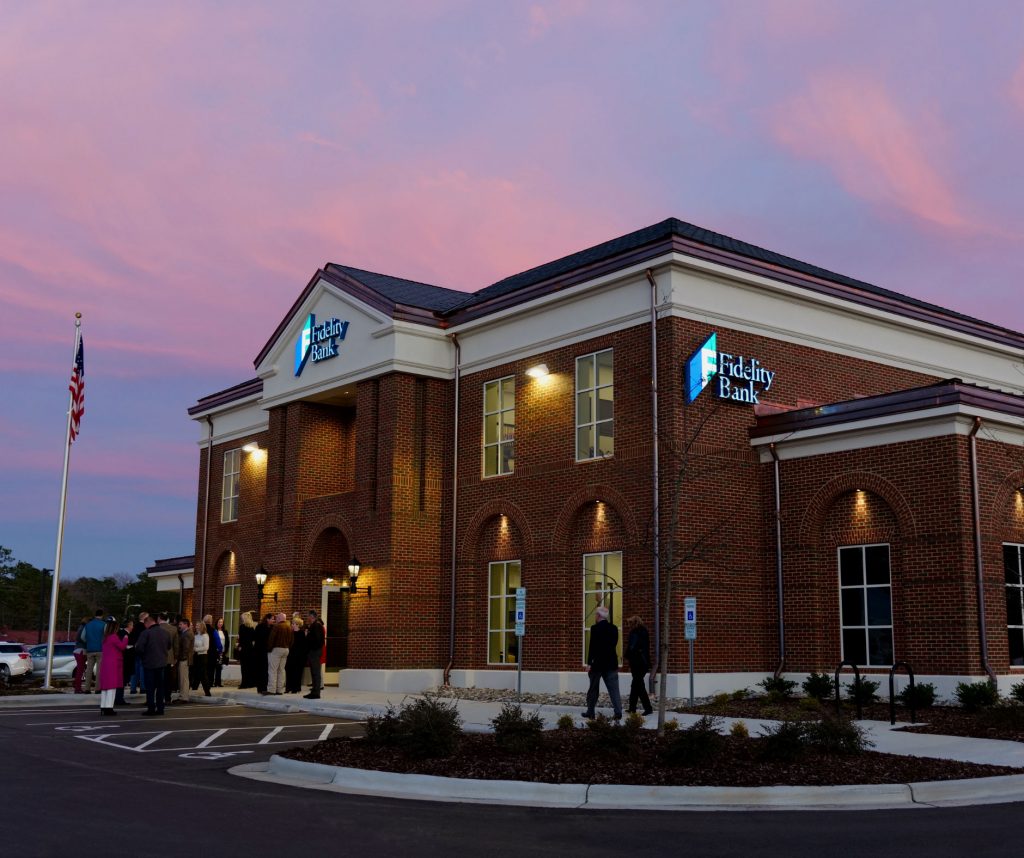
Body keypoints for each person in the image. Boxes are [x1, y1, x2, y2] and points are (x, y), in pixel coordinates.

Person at [582, 605, 622, 720]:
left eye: (596, 614)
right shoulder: (614, 628)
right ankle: (618, 712)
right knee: (614, 689)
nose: (595, 616)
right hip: (611, 662)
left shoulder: (595, 628)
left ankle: (590, 712)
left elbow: (592, 647)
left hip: (597, 664)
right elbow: (614, 644)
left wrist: (589, 663)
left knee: (593, 689)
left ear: (598, 615)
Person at [135, 613, 169, 716]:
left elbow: (139, 648)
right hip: (162, 663)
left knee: (150, 688)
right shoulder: (165, 633)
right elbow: (169, 645)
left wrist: (142, 657)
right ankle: (160, 708)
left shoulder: (146, 633)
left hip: (149, 664)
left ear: (147, 623)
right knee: (160, 687)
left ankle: (151, 708)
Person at [98, 616, 128, 716]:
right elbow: (122, 647)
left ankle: (103, 707)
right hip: (113, 664)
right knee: (112, 687)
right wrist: (125, 638)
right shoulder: (114, 637)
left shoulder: (105, 637)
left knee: (105, 687)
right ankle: (109, 708)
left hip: (106, 663)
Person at [624, 615, 654, 716]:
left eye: (630, 623)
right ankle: (632, 708)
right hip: (644, 662)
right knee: (635, 685)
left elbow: (632, 647)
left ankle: (648, 708)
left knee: (639, 685)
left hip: (637, 662)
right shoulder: (644, 631)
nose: (629, 625)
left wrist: (626, 656)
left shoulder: (635, 632)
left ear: (634, 623)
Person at [265, 612, 293, 695]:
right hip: (286, 650)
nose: (276, 619)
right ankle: (280, 690)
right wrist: (288, 647)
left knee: (272, 670)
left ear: (280, 619)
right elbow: (292, 640)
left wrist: (269, 649)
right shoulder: (289, 627)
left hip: (276, 649)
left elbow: (271, 639)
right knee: (281, 670)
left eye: (277, 618)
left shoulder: (277, 626)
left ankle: (271, 689)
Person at [157, 612, 179, 706]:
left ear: (159, 618)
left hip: (157, 658)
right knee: (168, 679)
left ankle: (159, 698)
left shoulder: (156, 628)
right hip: (169, 658)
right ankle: (168, 698)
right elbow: (176, 645)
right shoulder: (174, 629)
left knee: (158, 680)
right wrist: (176, 657)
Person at [82, 609, 106, 693]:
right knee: (99, 670)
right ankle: (97, 689)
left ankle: (87, 689)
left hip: (90, 649)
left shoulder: (87, 625)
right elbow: (106, 636)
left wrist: (89, 641)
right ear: (102, 615)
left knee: (89, 669)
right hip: (100, 649)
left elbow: (83, 637)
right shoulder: (104, 624)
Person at [303, 610, 325, 700]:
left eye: (308, 616)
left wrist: (307, 635)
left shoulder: (316, 626)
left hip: (315, 652)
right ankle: (314, 691)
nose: (307, 618)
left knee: (316, 672)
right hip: (313, 651)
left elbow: (317, 639)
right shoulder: (314, 626)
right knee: (314, 672)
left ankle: (316, 692)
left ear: (312, 616)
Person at [174, 617, 194, 704]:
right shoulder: (185, 633)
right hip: (184, 658)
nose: (179, 626)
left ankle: (184, 697)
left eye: (181, 624)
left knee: (184, 679)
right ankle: (182, 695)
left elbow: (186, 648)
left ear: (186, 624)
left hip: (184, 659)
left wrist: (181, 657)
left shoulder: (187, 634)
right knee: (183, 678)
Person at [285, 615, 306, 693]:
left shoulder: (301, 633)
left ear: (297, 624)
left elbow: (303, 646)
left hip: (298, 656)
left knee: (297, 672)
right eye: (292, 623)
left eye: (293, 624)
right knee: (289, 671)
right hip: (290, 655)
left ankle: (296, 688)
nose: (292, 625)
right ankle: (288, 688)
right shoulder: (290, 632)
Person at [115, 619, 134, 707]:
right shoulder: (124, 635)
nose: (133, 627)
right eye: (132, 625)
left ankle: (118, 697)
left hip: (124, 660)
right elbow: (123, 647)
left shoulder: (120, 633)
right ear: (129, 625)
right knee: (122, 681)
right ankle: (119, 698)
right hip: (125, 661)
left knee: (122, 680)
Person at [254, 613, 273, 695]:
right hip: (260, 651)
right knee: (261, 669)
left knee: (266, 670)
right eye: (272, 619)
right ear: (267, 619)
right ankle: (260, 687)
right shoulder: (260, 627)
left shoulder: (272, 627)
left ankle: (264, 687)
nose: (273, 620)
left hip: (268, 651)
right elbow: (256, 638)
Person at [191, 620, 211, 696]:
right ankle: (194, 690)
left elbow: (206, 647)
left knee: (203, 674)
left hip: (202, 657)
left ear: (202, 626)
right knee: (196, 674)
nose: (196, 627)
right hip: (196, 656)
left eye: (198, 625)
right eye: (196, 625)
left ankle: (207, 691)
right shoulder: (195, 635)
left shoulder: (205, 635)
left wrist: (196, 649)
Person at [237, 612, 257, 689]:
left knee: (244, 667)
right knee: (250, 667)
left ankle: (244, 684)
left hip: (244, 649)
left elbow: (241, 639)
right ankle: (251, 683)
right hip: (251, 649)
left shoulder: (242, 627)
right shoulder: (252, 627)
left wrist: (239, 646)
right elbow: (254, 638)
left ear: (244, 618)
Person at [129, 612, 147, 694]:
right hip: (143, 651)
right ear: (144, 618)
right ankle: (143, 687)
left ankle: (133, 688)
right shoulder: (145, 627)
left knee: (134, 670)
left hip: (134, 650)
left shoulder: (134, 627)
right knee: (143, 669)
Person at [72, 616, 89, 694]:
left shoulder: (80, 627)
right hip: (81, 650)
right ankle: (77, 688)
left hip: (77, 650)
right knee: (80, 670)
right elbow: (83, 638)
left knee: (80, 670)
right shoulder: (85, 628)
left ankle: (76, 686)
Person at [213, 618, 227, 687]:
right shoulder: (214, 631)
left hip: (222, 651)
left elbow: (227, 642)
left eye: (221, 622)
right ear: (216, 623)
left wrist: (225, 651)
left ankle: (218, 682)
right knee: (215, 666)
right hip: (216, 651)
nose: (220, 623)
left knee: (219, 667)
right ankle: (214, 682)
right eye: (219, 622)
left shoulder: (224, 631)